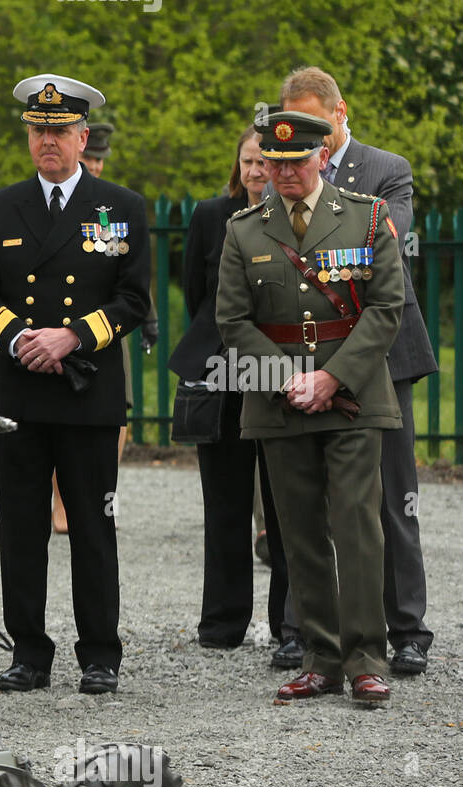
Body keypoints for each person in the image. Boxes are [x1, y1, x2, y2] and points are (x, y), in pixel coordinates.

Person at [0, 73, 151, 696]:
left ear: (83, 137)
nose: (48, 141)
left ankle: (100, 653)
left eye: (60, 131)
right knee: (22, 529)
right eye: (38, 131)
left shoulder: (120, 208)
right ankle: (29, 654)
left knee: (93, 529)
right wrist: (18, 335)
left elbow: (132, 297)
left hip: (88, 389)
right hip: (21, 389)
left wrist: (72, 336)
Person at [216, 110, 404, 705]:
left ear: (323, 156)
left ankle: (367, 659)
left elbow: (385, 308)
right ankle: (321, 658)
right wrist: (289, 379)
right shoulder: (245, 229)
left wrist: (331, 377)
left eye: (297, 162)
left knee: (357, 527)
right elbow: (233, 321)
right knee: (297, 533)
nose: (285, 173)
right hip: (281, 401)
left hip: (353, 399)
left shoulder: (367, 216)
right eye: (275, 163)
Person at [279, 67, 435, 677]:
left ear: (341, 112)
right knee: (305, 499)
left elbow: (386, 244)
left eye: (318, 122)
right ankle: (305, 631)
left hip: (383, 352)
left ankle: (407, 628)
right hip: (309, 355)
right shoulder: (287, 171)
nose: (307, 138)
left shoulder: (386, 169)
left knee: (394, 495)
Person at [168, 124, 296, 652]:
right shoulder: (209, 216)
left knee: (286, 502)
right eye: (248, 161)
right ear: (237, 167)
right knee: (224, 503)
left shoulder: (296, 221)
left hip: (278, 372)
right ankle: (222, 624)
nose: (256, 171)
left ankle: (292, 626)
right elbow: (196, 293)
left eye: (265, 162)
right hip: (221, 373)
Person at [52, 119, 156, 534]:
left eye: (99, 160)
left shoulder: (114, 207)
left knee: (118, 417)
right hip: (59, 332)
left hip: (109, 330)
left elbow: (130, 275)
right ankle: (60, 504)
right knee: (58, 422)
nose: (94, 165)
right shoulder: (54, 201)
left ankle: (101, 495)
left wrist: (147, 319)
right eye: (90, 158)